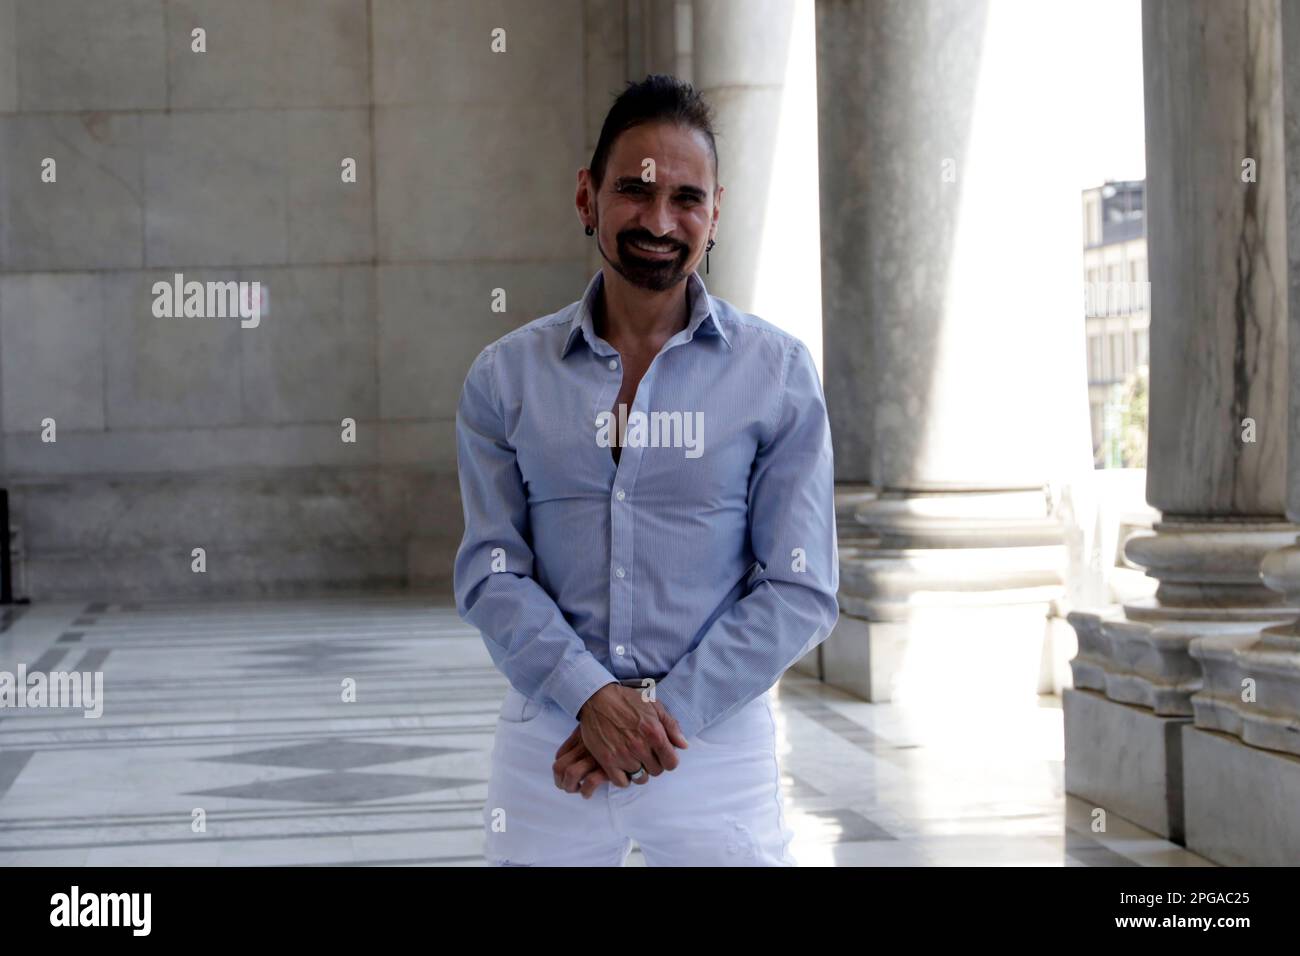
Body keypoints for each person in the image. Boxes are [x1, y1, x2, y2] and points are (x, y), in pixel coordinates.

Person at [454, 74, 838, 866]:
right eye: (635, 190)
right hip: (552, 744)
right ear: (586, 196)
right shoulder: (503, 378)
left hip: (713, 745)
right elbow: (493, 573)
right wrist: (589, 698)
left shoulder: (779, 375)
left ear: (716, 214)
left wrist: (657, 717)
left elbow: (800, 587)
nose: (659, 221)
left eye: (686, 199)